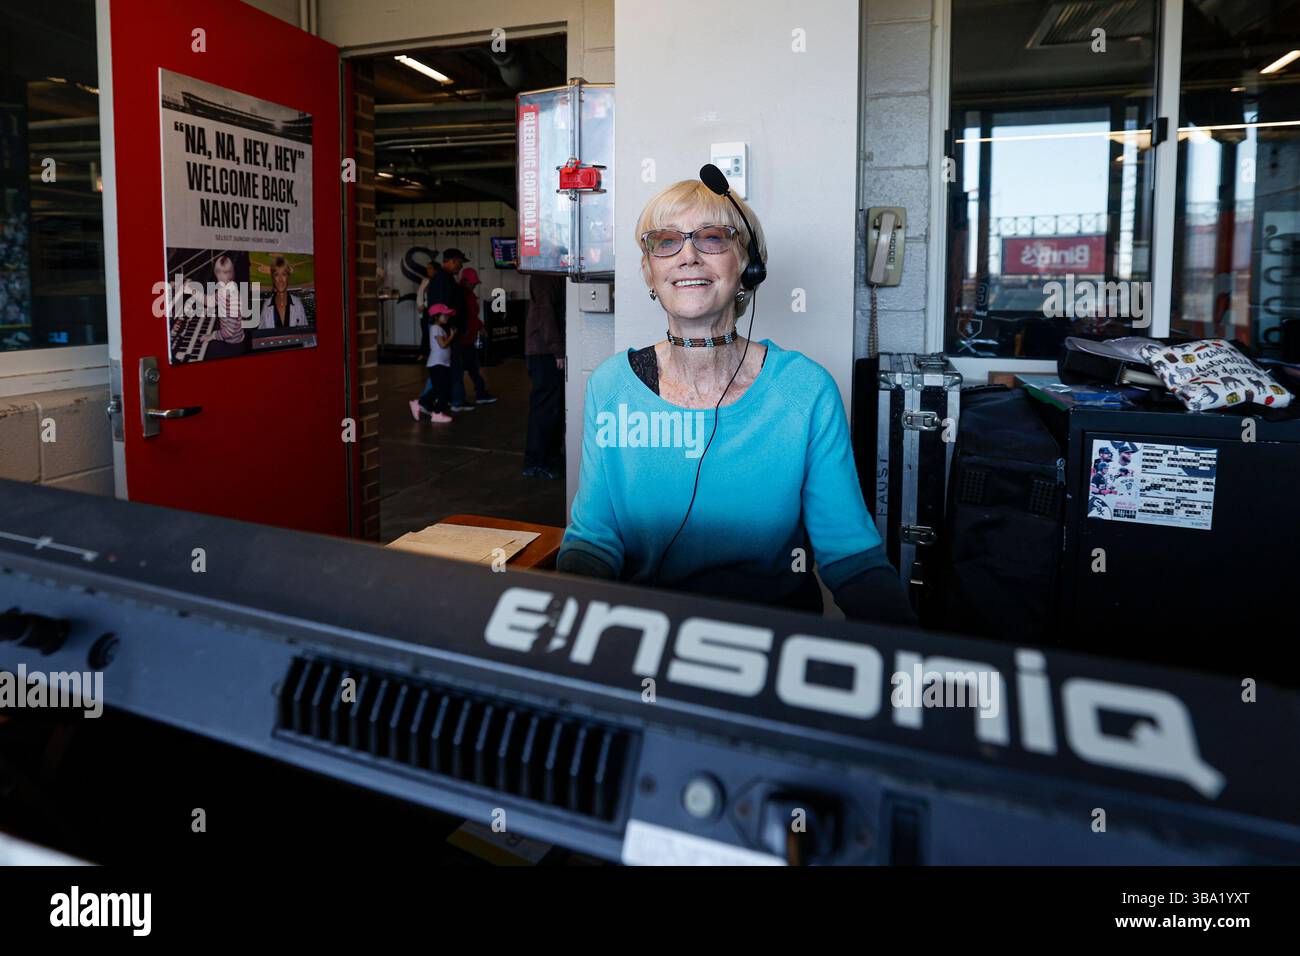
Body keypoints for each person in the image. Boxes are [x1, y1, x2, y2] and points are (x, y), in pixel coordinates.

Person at [555, 179, 915, 624]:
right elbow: (593, 539)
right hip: (640, 636)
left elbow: (851, 556)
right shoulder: (611, 386)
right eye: (665, 241)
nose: (688, 255)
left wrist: (907, 660)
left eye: (711, 237)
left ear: (747, 265)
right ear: (649, 272)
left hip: (771, 643)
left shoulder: (806, 390)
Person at [411, 249, 468, 419]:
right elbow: (440, 306)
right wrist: (447, 330)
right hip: (447, 332)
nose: (461, 265)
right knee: (441, 376)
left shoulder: (446, 278)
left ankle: (435, 402)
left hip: (450, 331)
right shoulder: (441, 279)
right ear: (450, 261)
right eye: (459, 261)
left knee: (446, 373)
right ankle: (427, 404)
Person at [523, 273, 567, 479]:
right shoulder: (544, 275)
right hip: (543, 351)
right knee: (546, 409)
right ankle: (537, 463)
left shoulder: (549, 274)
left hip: (545, 349)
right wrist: (557, 350)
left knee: (552, 407)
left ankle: (548, 458)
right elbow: (545, 313)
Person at [450, 266, 496, 410]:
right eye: (473, 283)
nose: (475, 285)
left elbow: (473, 317)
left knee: (472, 368)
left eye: (475, 283)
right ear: (464, 281)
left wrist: (480, 327)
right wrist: (480, 327)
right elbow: (470, 316)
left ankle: (475, 394)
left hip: (467, 338)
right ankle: (460, 399)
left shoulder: (466, 294)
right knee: (464, 369)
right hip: (463, 339)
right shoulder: (463, 295)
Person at [199, 254, 248, 359]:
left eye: (225, 272)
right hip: (229, 340)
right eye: (218, 272)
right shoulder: (224, 289)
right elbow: (211, 301)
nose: (221, 276)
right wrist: (192, 291)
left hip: (234, 345)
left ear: (230, 273)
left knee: (206, 351)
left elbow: (228, 333)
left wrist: (212, 336)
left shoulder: (232, 296)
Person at [417, 303, 456, 423]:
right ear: (436, 316)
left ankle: (421, 402)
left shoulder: (438, 328)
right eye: (445, 315)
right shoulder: (435, 328)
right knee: (443, 390)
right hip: (437, 364)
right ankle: (437, 413)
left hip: (441, 363)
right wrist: (452, 336)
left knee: (439, 388)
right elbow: (443, 345)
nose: (447, 317)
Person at [259, 257, 309, 329]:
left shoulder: (297, 303)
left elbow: (304, 334)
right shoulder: (266, 305)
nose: (280, 280)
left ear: (288, 277)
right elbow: (262, 336)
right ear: (273, 278)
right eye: (276, 275)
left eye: (284, 274)